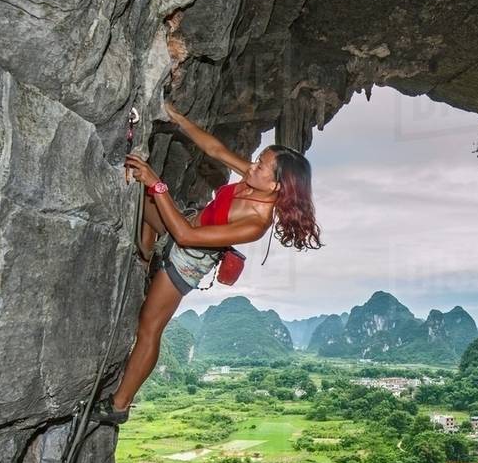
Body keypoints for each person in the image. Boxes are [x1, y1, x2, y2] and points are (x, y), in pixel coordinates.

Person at [91, 102, 321, 425]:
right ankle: (146, 252)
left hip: (188, 258)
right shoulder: (253, 180)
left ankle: (119, 405)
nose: (252, 167)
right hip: (186, 223)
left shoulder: (256, 221)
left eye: (261, 166)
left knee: (149, 327)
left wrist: (157, 183)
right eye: (257, 161)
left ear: (277, 187)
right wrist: (177, 117)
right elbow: (215, 148)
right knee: (144, 200)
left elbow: (185, 237)